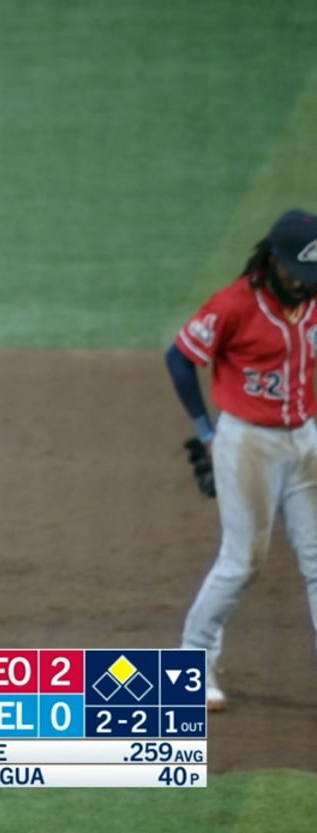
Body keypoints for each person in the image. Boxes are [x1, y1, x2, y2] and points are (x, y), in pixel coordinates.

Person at [166, 208, 317, 712]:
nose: (304, 283)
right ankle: (192, 665)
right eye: (298, 271)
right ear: (273, 259)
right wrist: (206, 431)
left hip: (306, 438)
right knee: (242, 563)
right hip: (250, 442)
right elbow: (179, 357)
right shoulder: (234, 305)